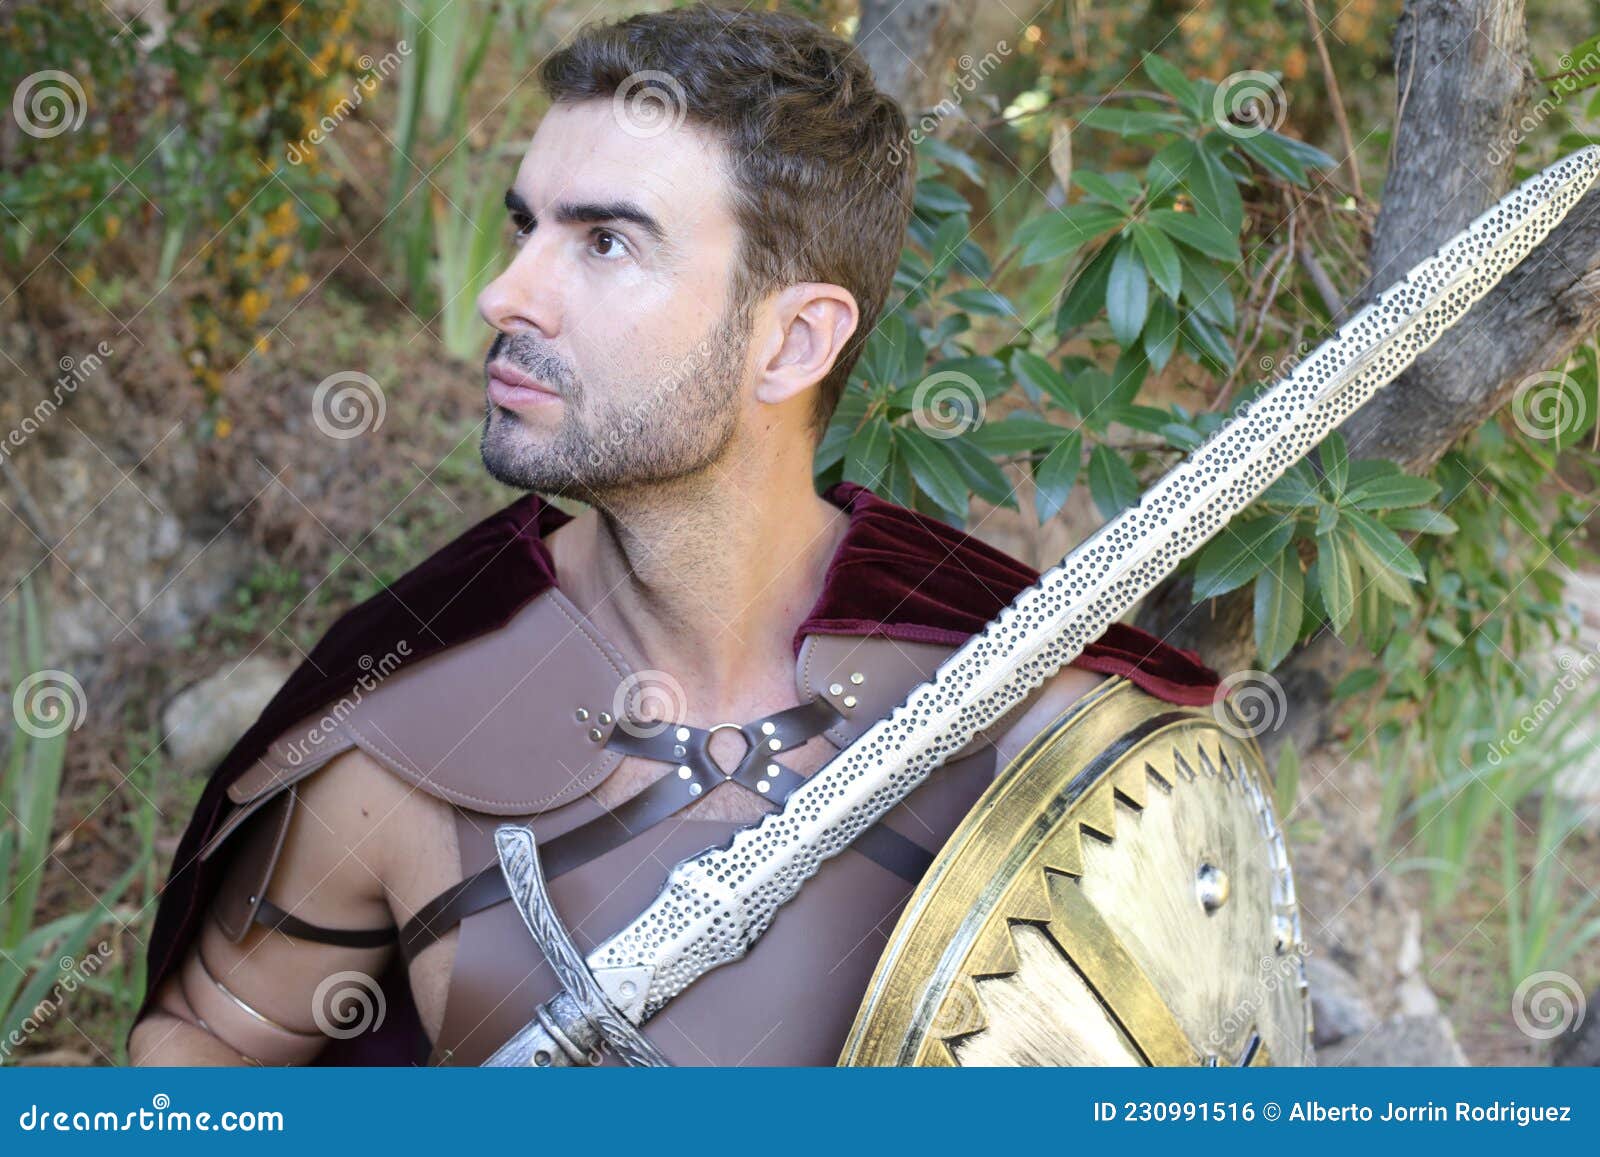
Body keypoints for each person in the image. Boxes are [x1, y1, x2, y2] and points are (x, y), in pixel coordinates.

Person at [129, 3, 1220, 1067]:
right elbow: (208, 1046)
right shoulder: (405, 721)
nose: (506, 293)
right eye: (526, 227)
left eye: (605, 241)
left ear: (793, 343)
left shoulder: (1043, 725)